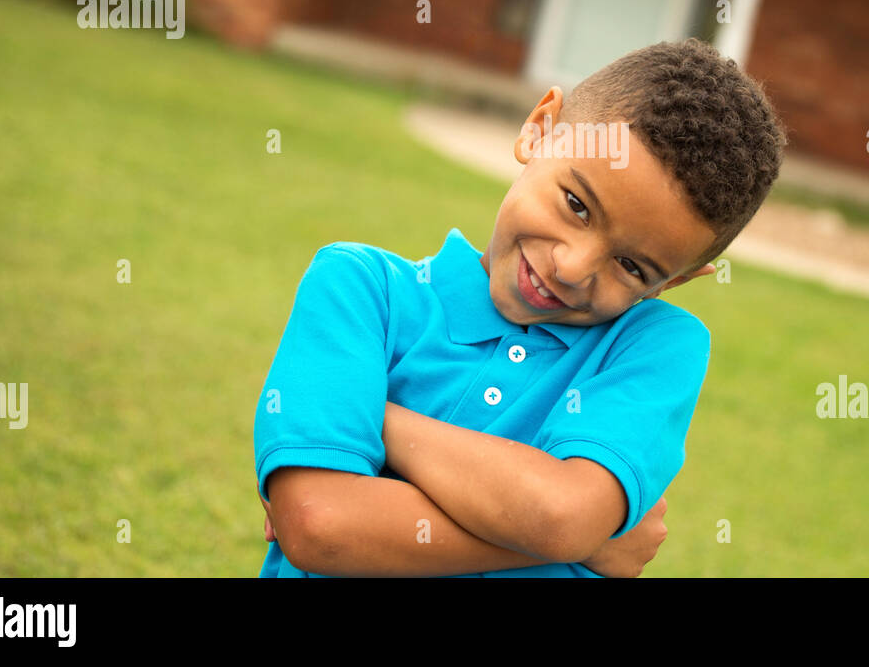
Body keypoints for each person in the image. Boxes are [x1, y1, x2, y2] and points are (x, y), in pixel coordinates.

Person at [253, 38, 787, 576]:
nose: (573, 268)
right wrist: (591, 543)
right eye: (577, 205)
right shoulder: (360, 285)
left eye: (632, 266)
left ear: (676, 281)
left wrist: (372, 417)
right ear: (539, 127)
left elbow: (561, 516)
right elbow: (320, 525)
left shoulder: (655, 346)